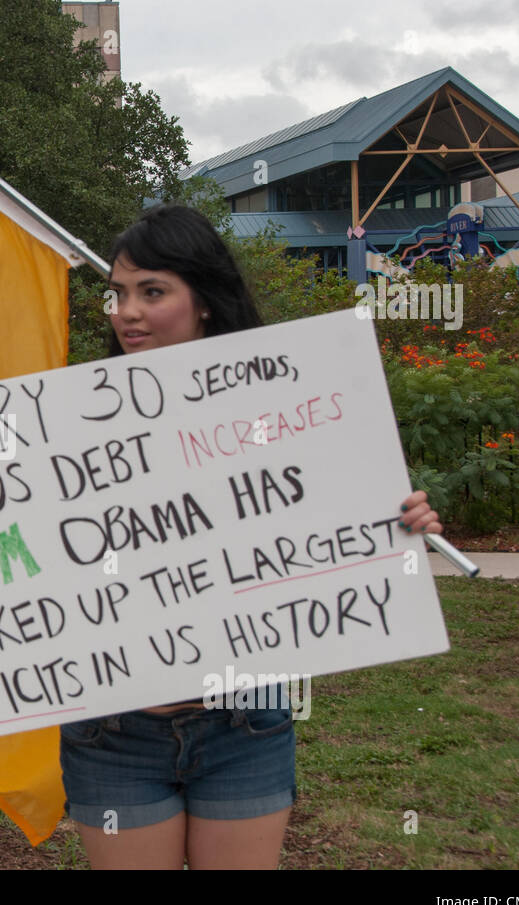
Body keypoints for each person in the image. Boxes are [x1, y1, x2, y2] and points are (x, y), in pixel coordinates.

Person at [58, 203, 442, 869]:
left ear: (203, 300)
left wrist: (400, 524)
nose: (127, 312)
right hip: (114, 730)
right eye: (117, 293)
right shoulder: (71, 423)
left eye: (152, 291)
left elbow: (328, 524)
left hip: (245, 721)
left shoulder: (286, 411)